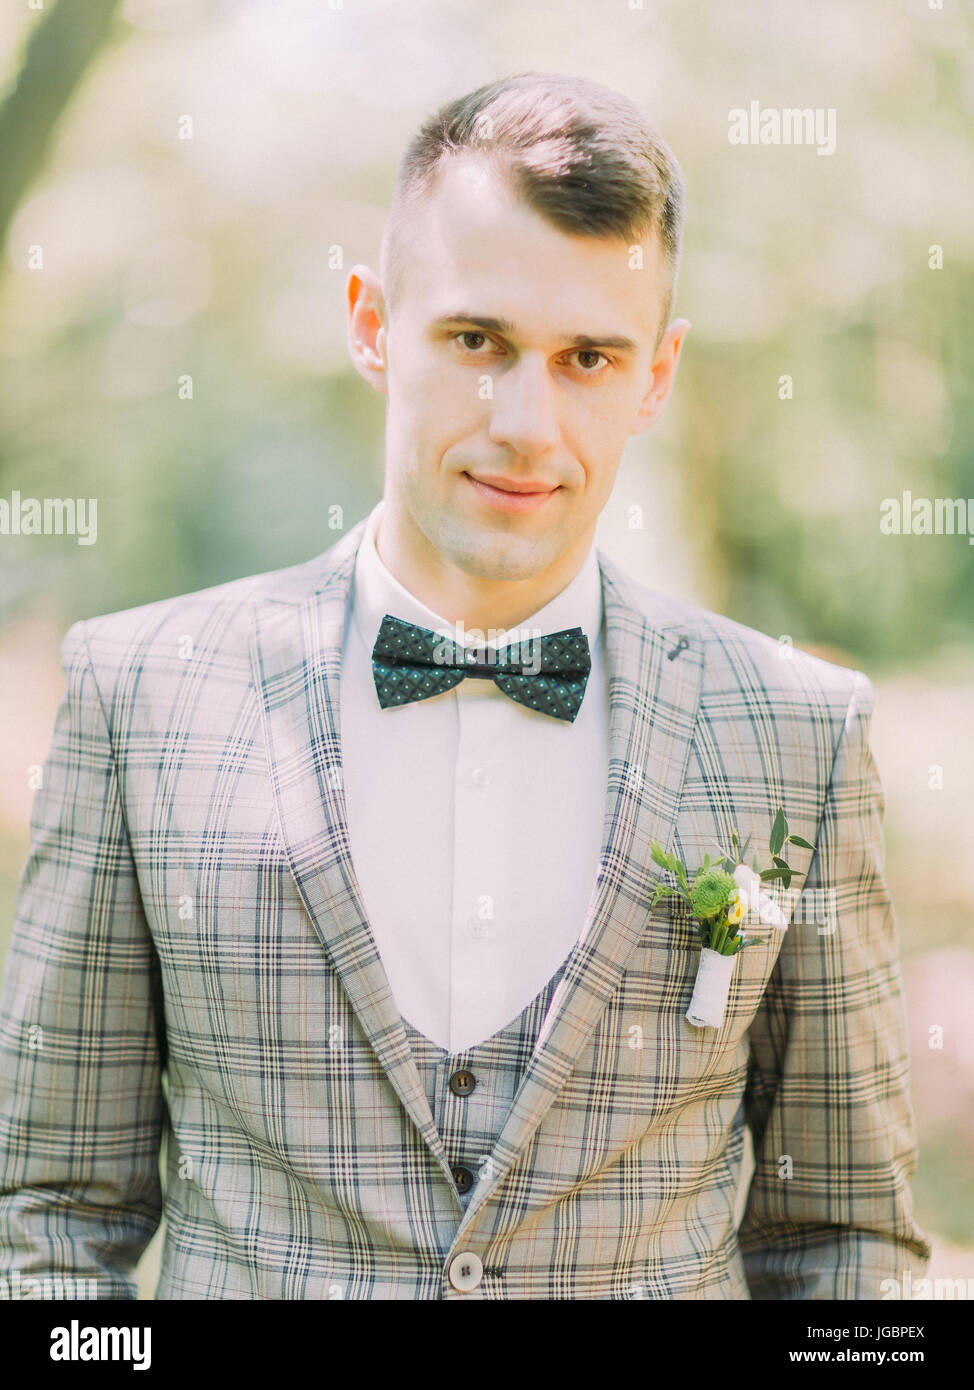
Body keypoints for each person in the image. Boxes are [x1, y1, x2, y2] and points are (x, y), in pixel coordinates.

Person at [0, 71, 931, 1300]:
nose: (524, 423)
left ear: (655, 375)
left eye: (587, 356)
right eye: (476, 340)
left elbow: (844, 1240)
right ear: (373, 323)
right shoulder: (140, 700)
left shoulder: (795, 733)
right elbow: (52, 1216)